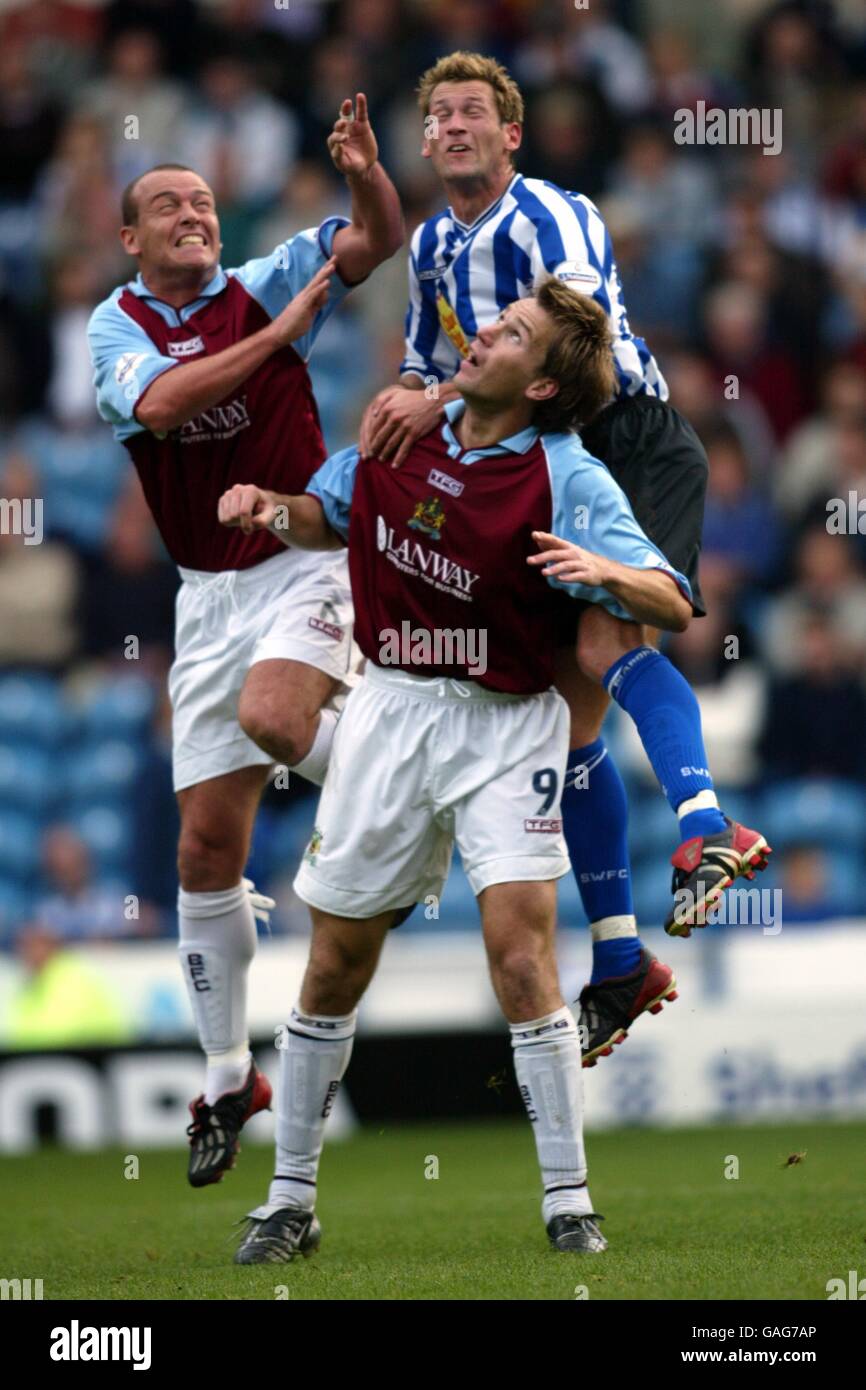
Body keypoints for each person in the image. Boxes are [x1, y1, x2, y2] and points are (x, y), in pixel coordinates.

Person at [217, 279, 692, 1261]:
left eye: (511, 333)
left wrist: (603, 573)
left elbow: (671, 599)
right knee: (334, 963)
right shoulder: (397, 435)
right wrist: (273, 509)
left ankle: (568, 1201)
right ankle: (288, 1200)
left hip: (507, 724)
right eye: (495, 319)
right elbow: (326, 513)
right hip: (389, 713)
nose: (482, 335)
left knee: (518, 958)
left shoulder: (568, 475)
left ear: (545, 386)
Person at [358, 51, 770, 1065]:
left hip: (618, 435)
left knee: (604, 640)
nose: (454, 126)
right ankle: (621, 961)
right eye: (439, 113)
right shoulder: (427, 249)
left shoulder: (551, 215)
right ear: (423, 141)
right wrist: (403, 401)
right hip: (535, 460)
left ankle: (708, 822)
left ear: (510, 135)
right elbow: (424, 356)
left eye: (474, 113)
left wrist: (441, 397)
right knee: (562, 717)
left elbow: (569, 339)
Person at [87, 94, 404, 1188]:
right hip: (204, 596)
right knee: (203, 848)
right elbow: (164, 408)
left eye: (205, 201)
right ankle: (228, 1075)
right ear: (130, 237)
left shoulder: (267, 276)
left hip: (301, 555)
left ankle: (420, 772)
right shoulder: (115, 327)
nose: (194, 214)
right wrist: (272, 342)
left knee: (278, 717)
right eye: (168, 202)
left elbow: (375, 240)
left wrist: (363, 170)